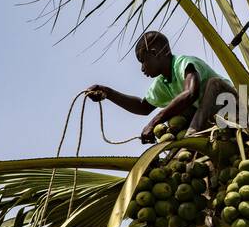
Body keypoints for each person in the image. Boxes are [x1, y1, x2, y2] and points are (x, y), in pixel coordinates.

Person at [86, 32, 234, 144]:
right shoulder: (163, 83)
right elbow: (143, 107)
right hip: (215, 121)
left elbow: (190, 94)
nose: (142, 68)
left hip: (232, 105)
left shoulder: (184, 63)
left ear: (154, 53)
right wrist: (107, 92)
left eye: (143, 61)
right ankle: (183, 149)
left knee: (212, 85)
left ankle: (192, 138)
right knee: (178, 114)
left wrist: (154, 122)